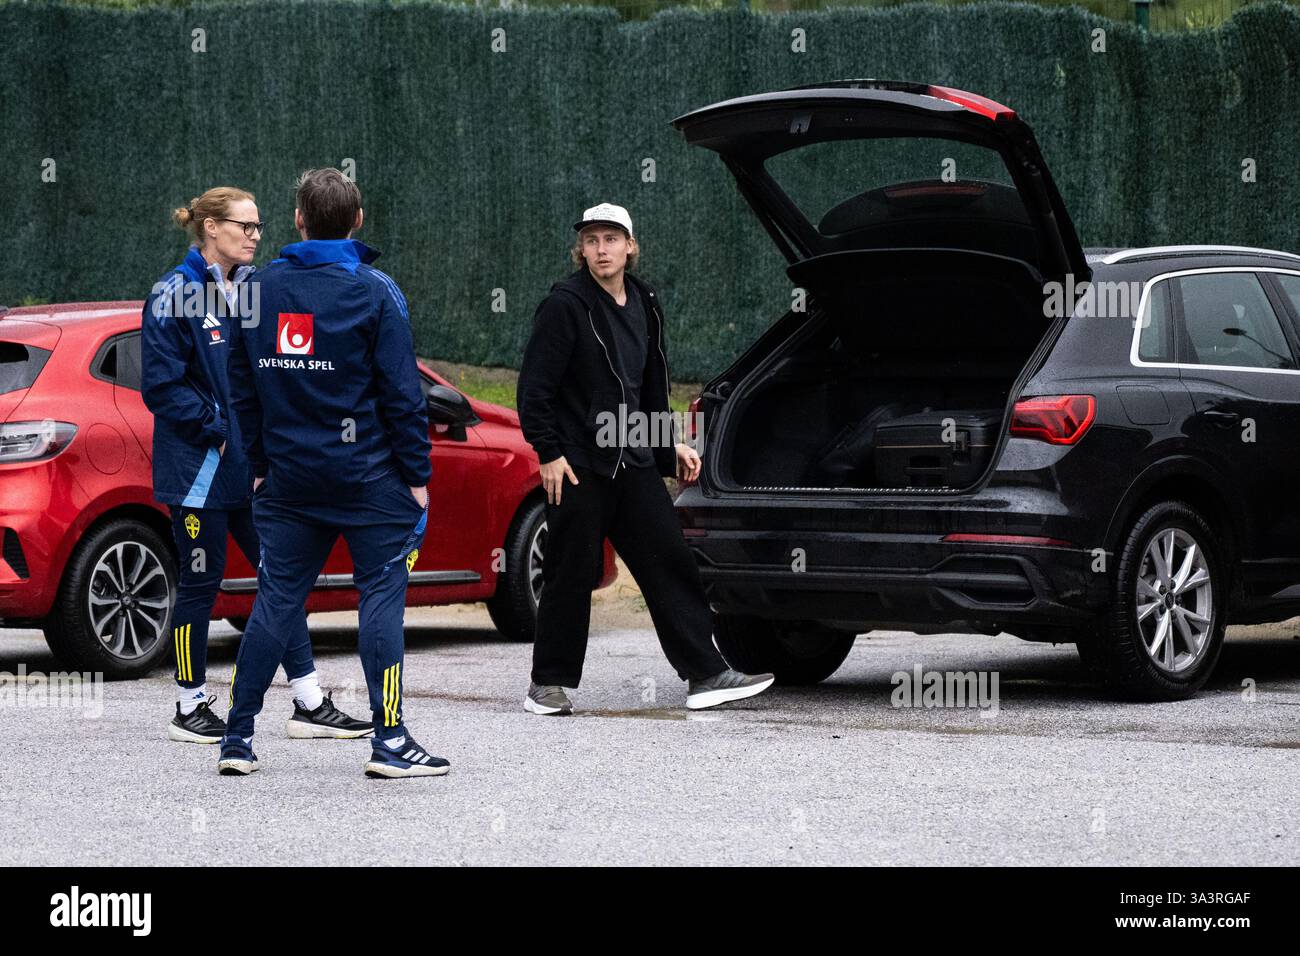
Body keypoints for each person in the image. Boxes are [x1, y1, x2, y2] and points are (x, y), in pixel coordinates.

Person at [220, 168, 444, 779]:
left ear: (297, 220)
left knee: (277, 601)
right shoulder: (375, 289)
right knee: (380, 599)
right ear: (358, 220)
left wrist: (261, 467)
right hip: (369, 478)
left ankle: (236, 739)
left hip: (290, 480)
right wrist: (417, 476)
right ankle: (390, 742)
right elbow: (404, 395)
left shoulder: (256, 288)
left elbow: (240, 392)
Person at [516, 202, 774, 715]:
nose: (601, 249)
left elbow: (649, 386)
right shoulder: (565, 305)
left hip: (630, 459)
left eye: (611, 239)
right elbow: (535, 389)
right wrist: (549, 452)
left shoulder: (646, 299)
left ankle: (705, 674)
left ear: (630, 246)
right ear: (581, 250)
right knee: (571, 571)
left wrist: (667, 443)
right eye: (591, 240)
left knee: (669, 562)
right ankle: (548, 685)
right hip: (581, 465)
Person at [141, 186, 369, 745]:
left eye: (260, 227)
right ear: (210, 227)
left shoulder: (256, 291)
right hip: (198, 470)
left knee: (280, 579)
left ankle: (309, 701)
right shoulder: (174, 293)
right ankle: (189, 705)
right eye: (244, 226)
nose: (255, 236)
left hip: (255, 469)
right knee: (201, 583)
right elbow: (162, 387)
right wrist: (220, 429)